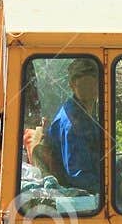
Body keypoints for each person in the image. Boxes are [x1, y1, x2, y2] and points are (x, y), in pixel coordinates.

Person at [44, 57, 102, 194]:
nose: (90, 88)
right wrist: (115, 187)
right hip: (80, 195)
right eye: (83, 83)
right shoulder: (73, 124)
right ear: (72, 85)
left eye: (93, 82)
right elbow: (78, 176)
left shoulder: (88, 112)